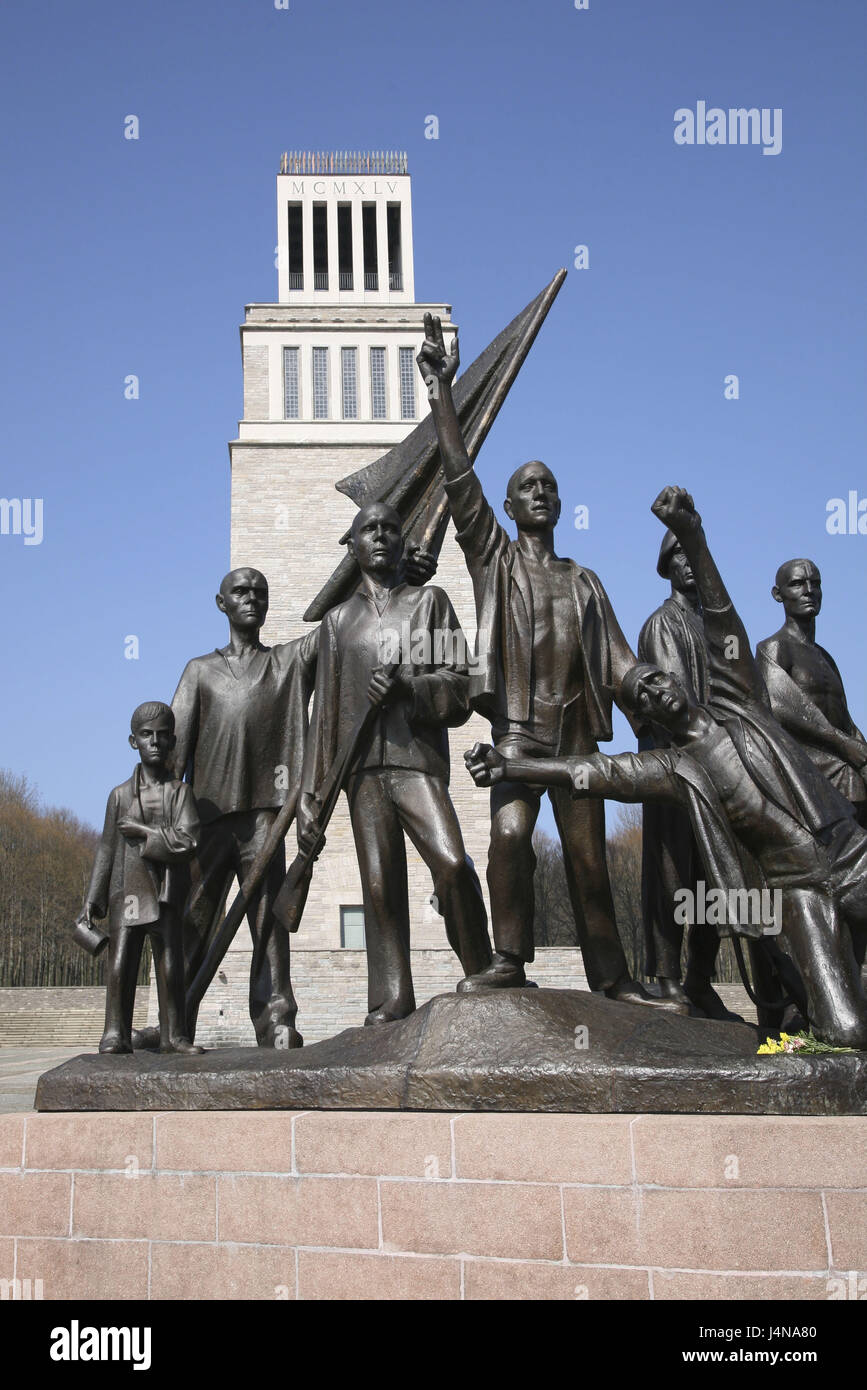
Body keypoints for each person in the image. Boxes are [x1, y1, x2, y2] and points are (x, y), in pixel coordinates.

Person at [465, 487, 867, 1050]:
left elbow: (712, 624)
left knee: (601, 864)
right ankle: (548, 962)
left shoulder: (739, 700)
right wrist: (514, 767)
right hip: (801, 884)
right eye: (647, 692)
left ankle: (635, 978)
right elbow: (603, 773)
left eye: (656, 682)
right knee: (845, 1029)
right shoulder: (678, 769)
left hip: (851, 854)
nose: (656, 687)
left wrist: (695, 535)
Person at [418, 313, 677, 1009]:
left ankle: (611, 978)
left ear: (559, 503)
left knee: (591, 862)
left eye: (549, 485)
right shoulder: (494, 561)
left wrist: (646, 681)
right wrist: (441, 394)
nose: (539, 491)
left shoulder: (584, 580)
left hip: (575, 734)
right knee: (508, 839)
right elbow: (457, 474)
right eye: (527, 486)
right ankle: (507, 957)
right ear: (507, 505)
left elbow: (619, 661)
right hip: (517, 731)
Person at [297, 502, 492, 1025]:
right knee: (380, 888)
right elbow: (325, 719)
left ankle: (485, 967)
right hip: (362, 773)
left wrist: (409, 687)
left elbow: (461, 686)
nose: (380, 536)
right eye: (369, 529)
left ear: (404, 542)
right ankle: (389, 999)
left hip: (415, 763)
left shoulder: (430, 602)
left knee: (452, 863)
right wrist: (311, 799)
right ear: (353, 544)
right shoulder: (338, 622)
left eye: (389, 528)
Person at [638, 531, 739, 1020]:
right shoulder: (662, 624)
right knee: (671, 875)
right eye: (679, 556)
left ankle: (701, 977)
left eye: (695, 555)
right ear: (666, 565)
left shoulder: (716, 629)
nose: (691, 565)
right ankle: (665, 976)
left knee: (713, 881)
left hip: (718, 772)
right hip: (676, 769)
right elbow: (669, 702)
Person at [76, 702, 202, 1055]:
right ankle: (115, 1031)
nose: (155, 742)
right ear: (133, 741)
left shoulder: (180, 793)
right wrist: (92, 901)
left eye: (163, 735)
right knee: (121, 962)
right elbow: (106, 849)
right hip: (126, 889)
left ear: (174, 740)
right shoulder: (119, 795)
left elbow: (189, 840)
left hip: (166, 891)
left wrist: (144, 832)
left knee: (170, 963)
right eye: (147, 735)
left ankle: (174, 1035)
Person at [757, 559, 867, 826]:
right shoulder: (773, 648)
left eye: (814, 584)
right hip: (804, 760)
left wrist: (861, 747)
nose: (808, 590)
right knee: (850, 779)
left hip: (840, 755)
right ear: (778, 594)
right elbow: (780, 709)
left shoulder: (826, 658)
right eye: (797, 584)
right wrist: (844, 745)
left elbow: (845, 718)